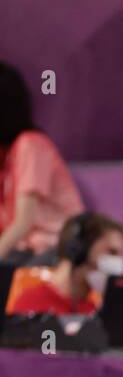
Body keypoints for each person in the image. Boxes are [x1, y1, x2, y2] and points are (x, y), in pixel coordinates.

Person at [0, 62, 85, 260]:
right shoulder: (6, 157)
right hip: (24, 251)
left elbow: (23, 223)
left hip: (58, 249)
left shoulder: (30, 145)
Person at [8, 212, 123, 316]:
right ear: (79, 250)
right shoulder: (32, 305)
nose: (118, 262)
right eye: (112, 252)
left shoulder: (94, 312)